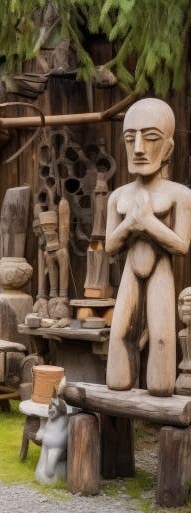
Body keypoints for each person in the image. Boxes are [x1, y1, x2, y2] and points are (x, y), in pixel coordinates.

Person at [105, 98, 191, 396]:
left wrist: (147, 222)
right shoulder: (118, 196)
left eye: (150, 137)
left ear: (168, 148)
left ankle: (160, 387)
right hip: (130, 271)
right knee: (118, 335)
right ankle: (120, 386)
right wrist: (131, 223)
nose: (139, 147)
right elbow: (110, 245)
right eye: (131, 139)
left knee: (162, 338)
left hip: (161, 272)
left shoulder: (179, 195)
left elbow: (181, 246)